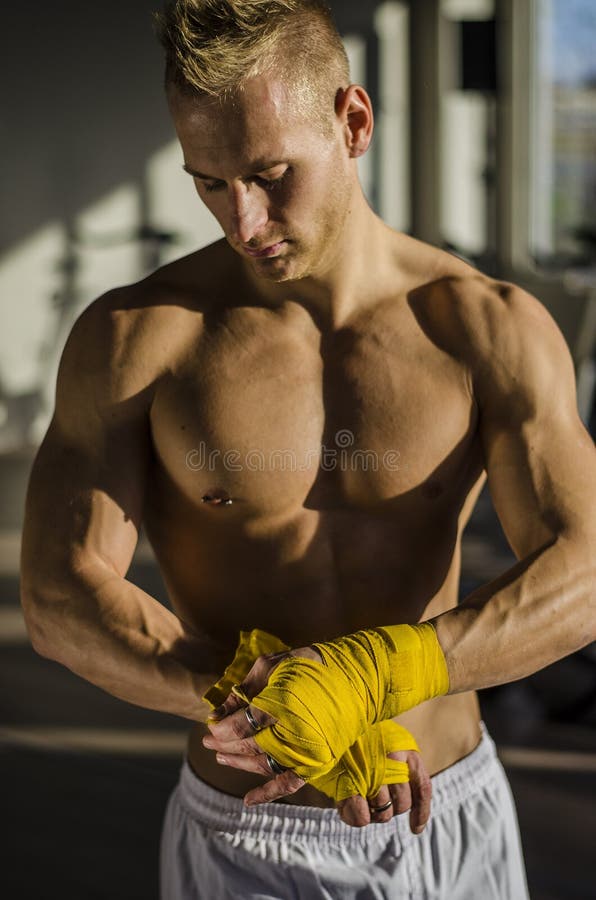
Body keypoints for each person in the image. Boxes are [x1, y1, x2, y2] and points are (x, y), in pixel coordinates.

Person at [19, 0, 596, 897]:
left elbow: (587, 568)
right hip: (247, 834)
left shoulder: (482, 327)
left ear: (353, 121)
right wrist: (258, 706)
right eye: (208, 182)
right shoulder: (137, 338)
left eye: (269, 172)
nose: (243, 221)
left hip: (446, 813)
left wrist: (370, 681)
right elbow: (57, 595)